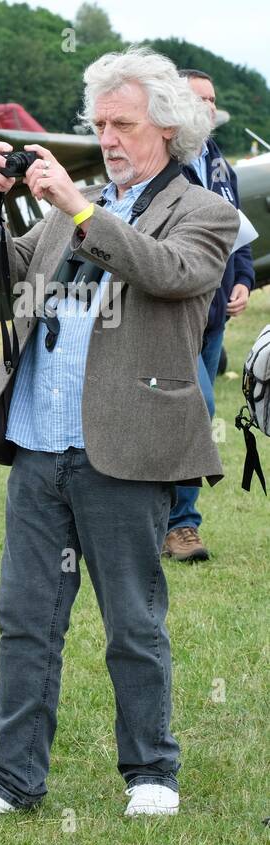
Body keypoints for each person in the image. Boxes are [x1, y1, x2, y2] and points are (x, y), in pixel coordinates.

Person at [0, 47, 239, 822]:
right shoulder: (82, 207)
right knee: (26, 623)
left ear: (167, 130)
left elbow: (166, 271)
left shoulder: (204, 212)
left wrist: (76, 208)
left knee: (133, 622)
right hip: (39, 445)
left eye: (122, 124)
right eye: (99, 123)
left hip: (127, 448)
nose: (106, 137)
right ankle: (10, 781)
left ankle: (152, 774)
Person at [162, 68, 257, 561]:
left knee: (176, 413)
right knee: (198, 406)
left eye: (212, 100)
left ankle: (160, 518)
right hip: (174, 314)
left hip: (214, 315)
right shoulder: (161, 168)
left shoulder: (222, 168)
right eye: (196, 100)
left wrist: (243, 280)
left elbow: (235, 236)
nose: (208, 108)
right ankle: (181, 526)